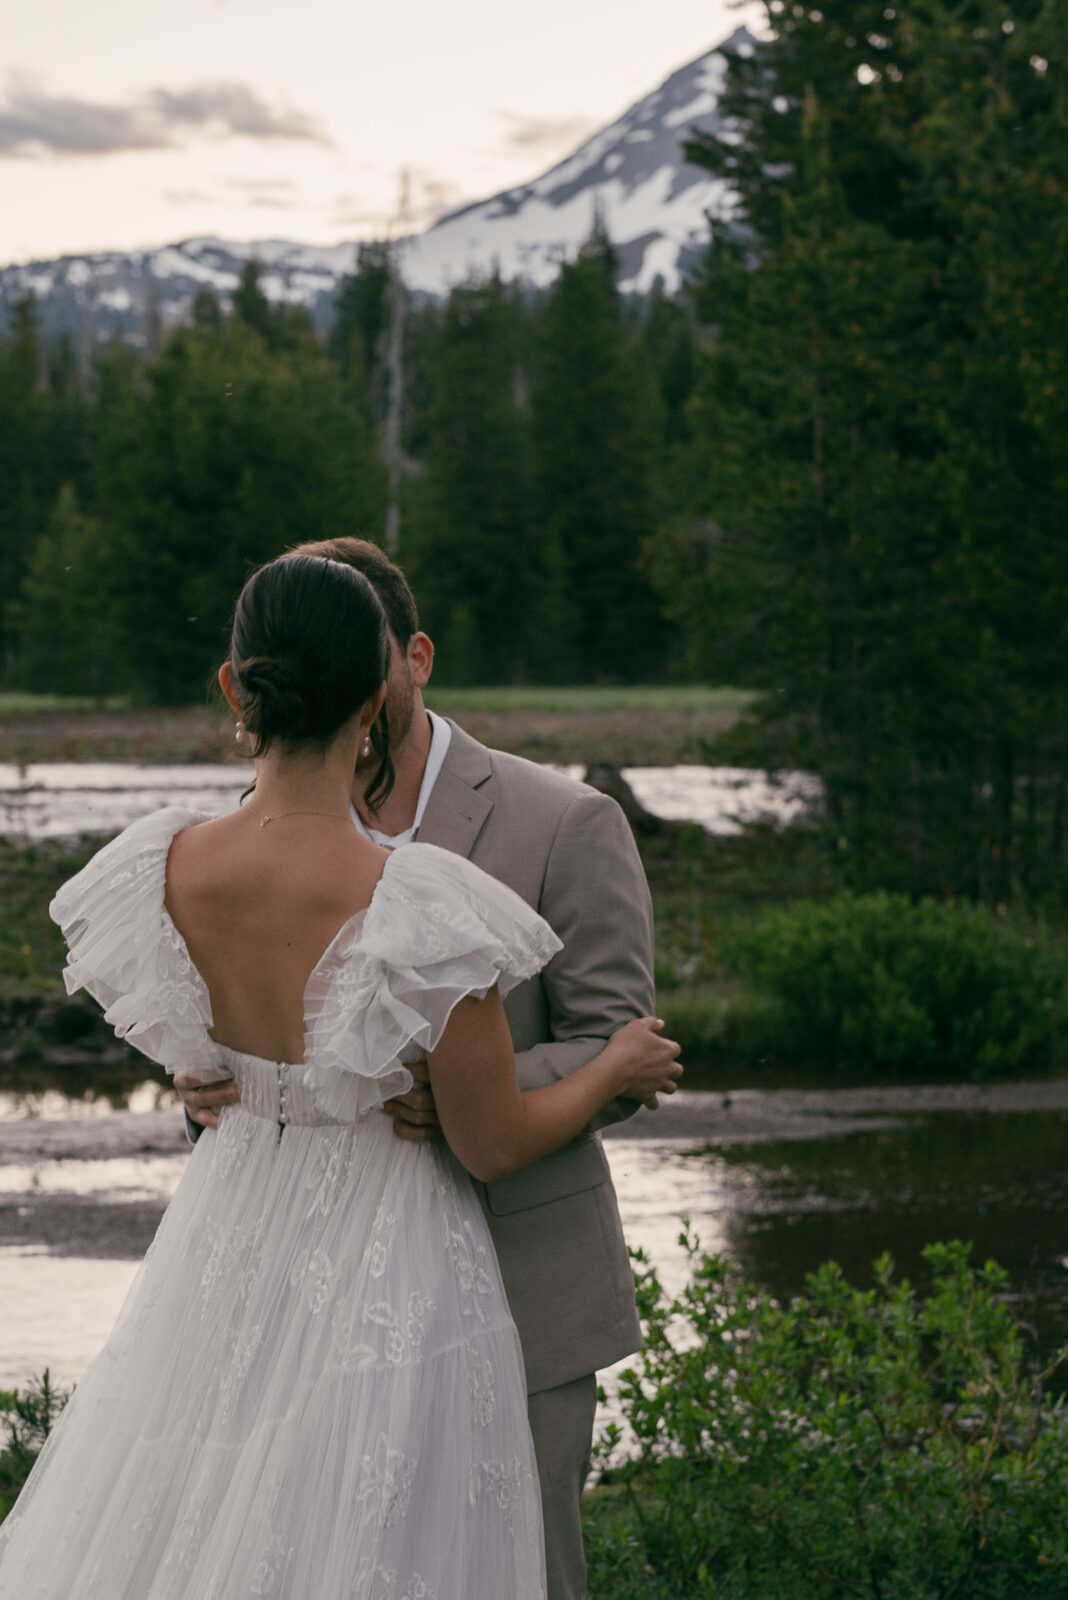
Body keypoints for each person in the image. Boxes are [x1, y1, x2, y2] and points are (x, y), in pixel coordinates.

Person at [0, 554, 680, 1600]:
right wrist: (618, 1066)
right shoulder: (420, 900)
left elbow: (213, 1050)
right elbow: (491, 1135)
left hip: (233, 1257)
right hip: (404, 1262)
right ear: (377, 697)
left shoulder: (164, 866)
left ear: (237, 688)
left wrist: (216, 1080)